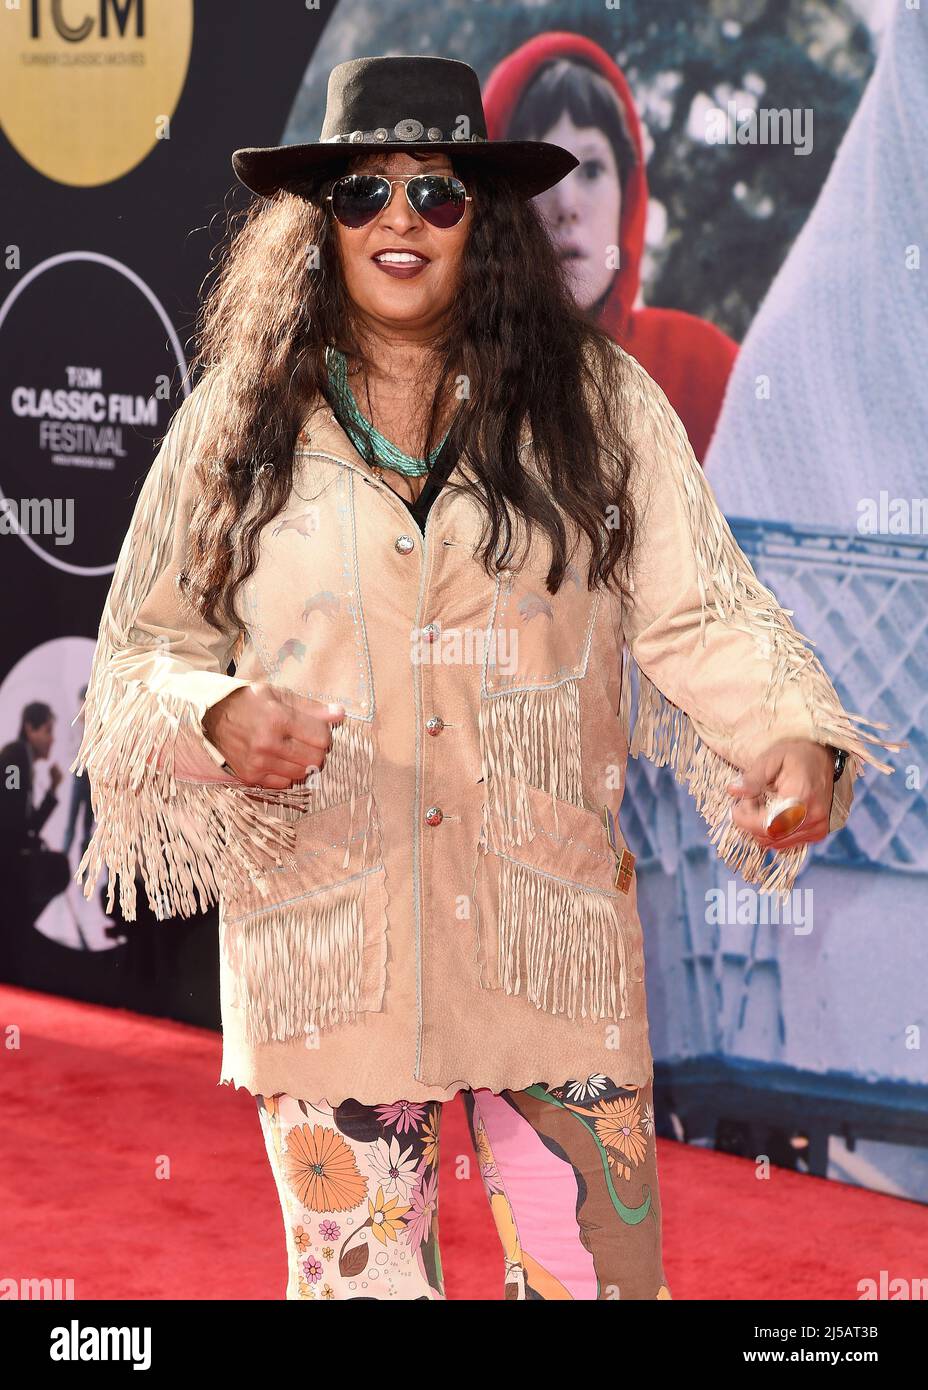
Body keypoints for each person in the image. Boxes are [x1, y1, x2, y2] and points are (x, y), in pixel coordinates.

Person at [72, 55, 896, 1301]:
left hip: (548, 948)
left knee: (598, 1292)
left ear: (488, 221)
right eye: (362, 191)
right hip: (330, 950)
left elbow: (702, 610)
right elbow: (141, 657)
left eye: (437, 191)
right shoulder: (237, 423)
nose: (398, 218)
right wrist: (216, 715)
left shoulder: (597, 404)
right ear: (319, 220)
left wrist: (786, 733)